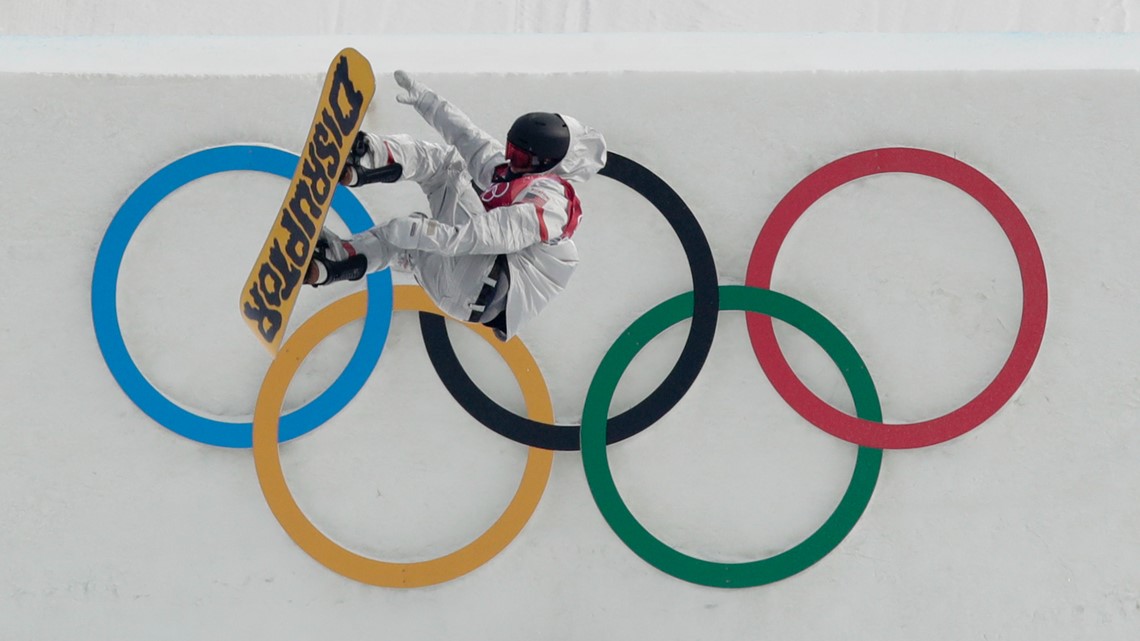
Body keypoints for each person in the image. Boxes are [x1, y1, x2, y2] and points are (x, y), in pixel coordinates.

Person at [305, 70, 607, 341]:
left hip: (485, 280)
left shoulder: (553, 200)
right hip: (464, 298)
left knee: (446, 169)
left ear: (547, 163)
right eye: (511, 151)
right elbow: (470, 140)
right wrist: (429, 102)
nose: (513, 163)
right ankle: (333, 262)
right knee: (404, 242)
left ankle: (366, 158)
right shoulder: (512, 173)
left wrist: (429, 233)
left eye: (522, 159)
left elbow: (492, 234)